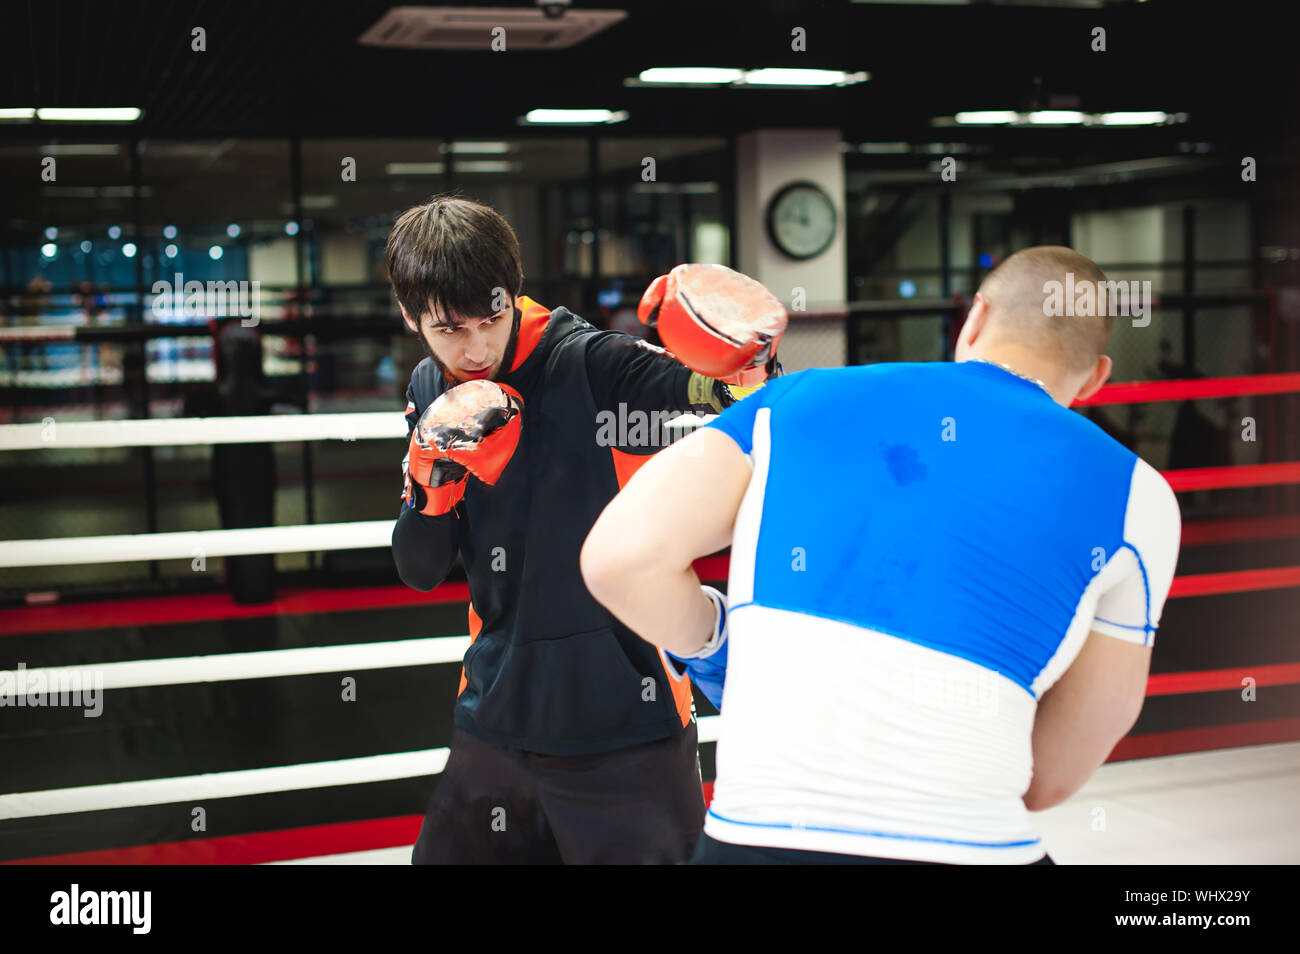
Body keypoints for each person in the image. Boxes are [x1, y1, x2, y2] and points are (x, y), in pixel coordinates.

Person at [582, 246, 1182, 865]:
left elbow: (618, 559)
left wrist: (716, 642)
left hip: (757, 840)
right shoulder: (1143, 497)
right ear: (1096, 377)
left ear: (973, 319)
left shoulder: (797, 400)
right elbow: (1052, 776)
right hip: (975, 847)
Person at [387, 195, 784, 864]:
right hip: (497, 716)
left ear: (513, 295)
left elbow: (725, 397)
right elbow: (420, 570)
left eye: (492, 318)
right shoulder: (433, 387)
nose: (477, 347)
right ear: (410, 318)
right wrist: (428, 490)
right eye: (451, 330)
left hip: (624, 724)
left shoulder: (592, 364)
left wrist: (747, 364)